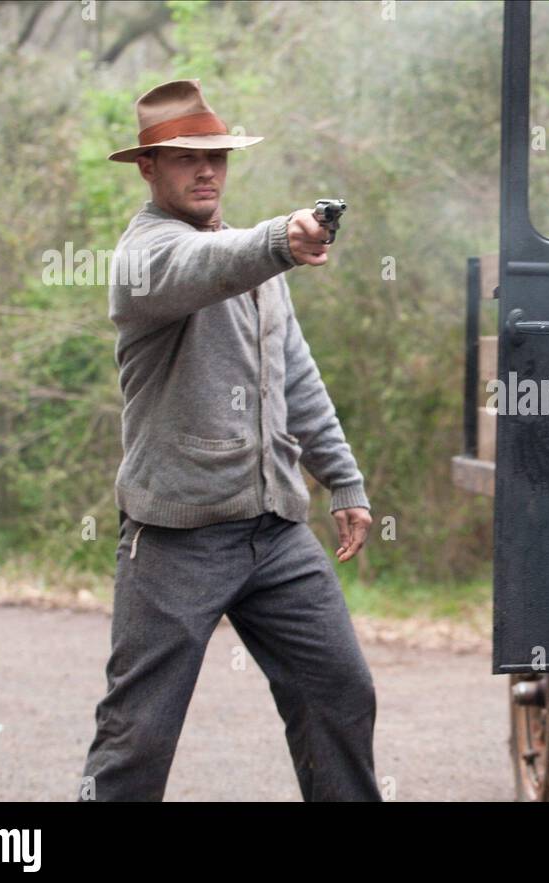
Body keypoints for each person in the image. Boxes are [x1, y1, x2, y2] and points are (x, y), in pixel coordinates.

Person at [77, 79, 380, 801]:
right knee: (138, 736)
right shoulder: (144, 259)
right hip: (176, 538)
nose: (207, 170)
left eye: (216, 154)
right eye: (185, 158)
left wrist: (343, 479)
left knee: (340, 693)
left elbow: (296, 377)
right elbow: (204, 267)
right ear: (148, 169)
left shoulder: (248, 256)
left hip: (275, 531)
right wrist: (281, 238)